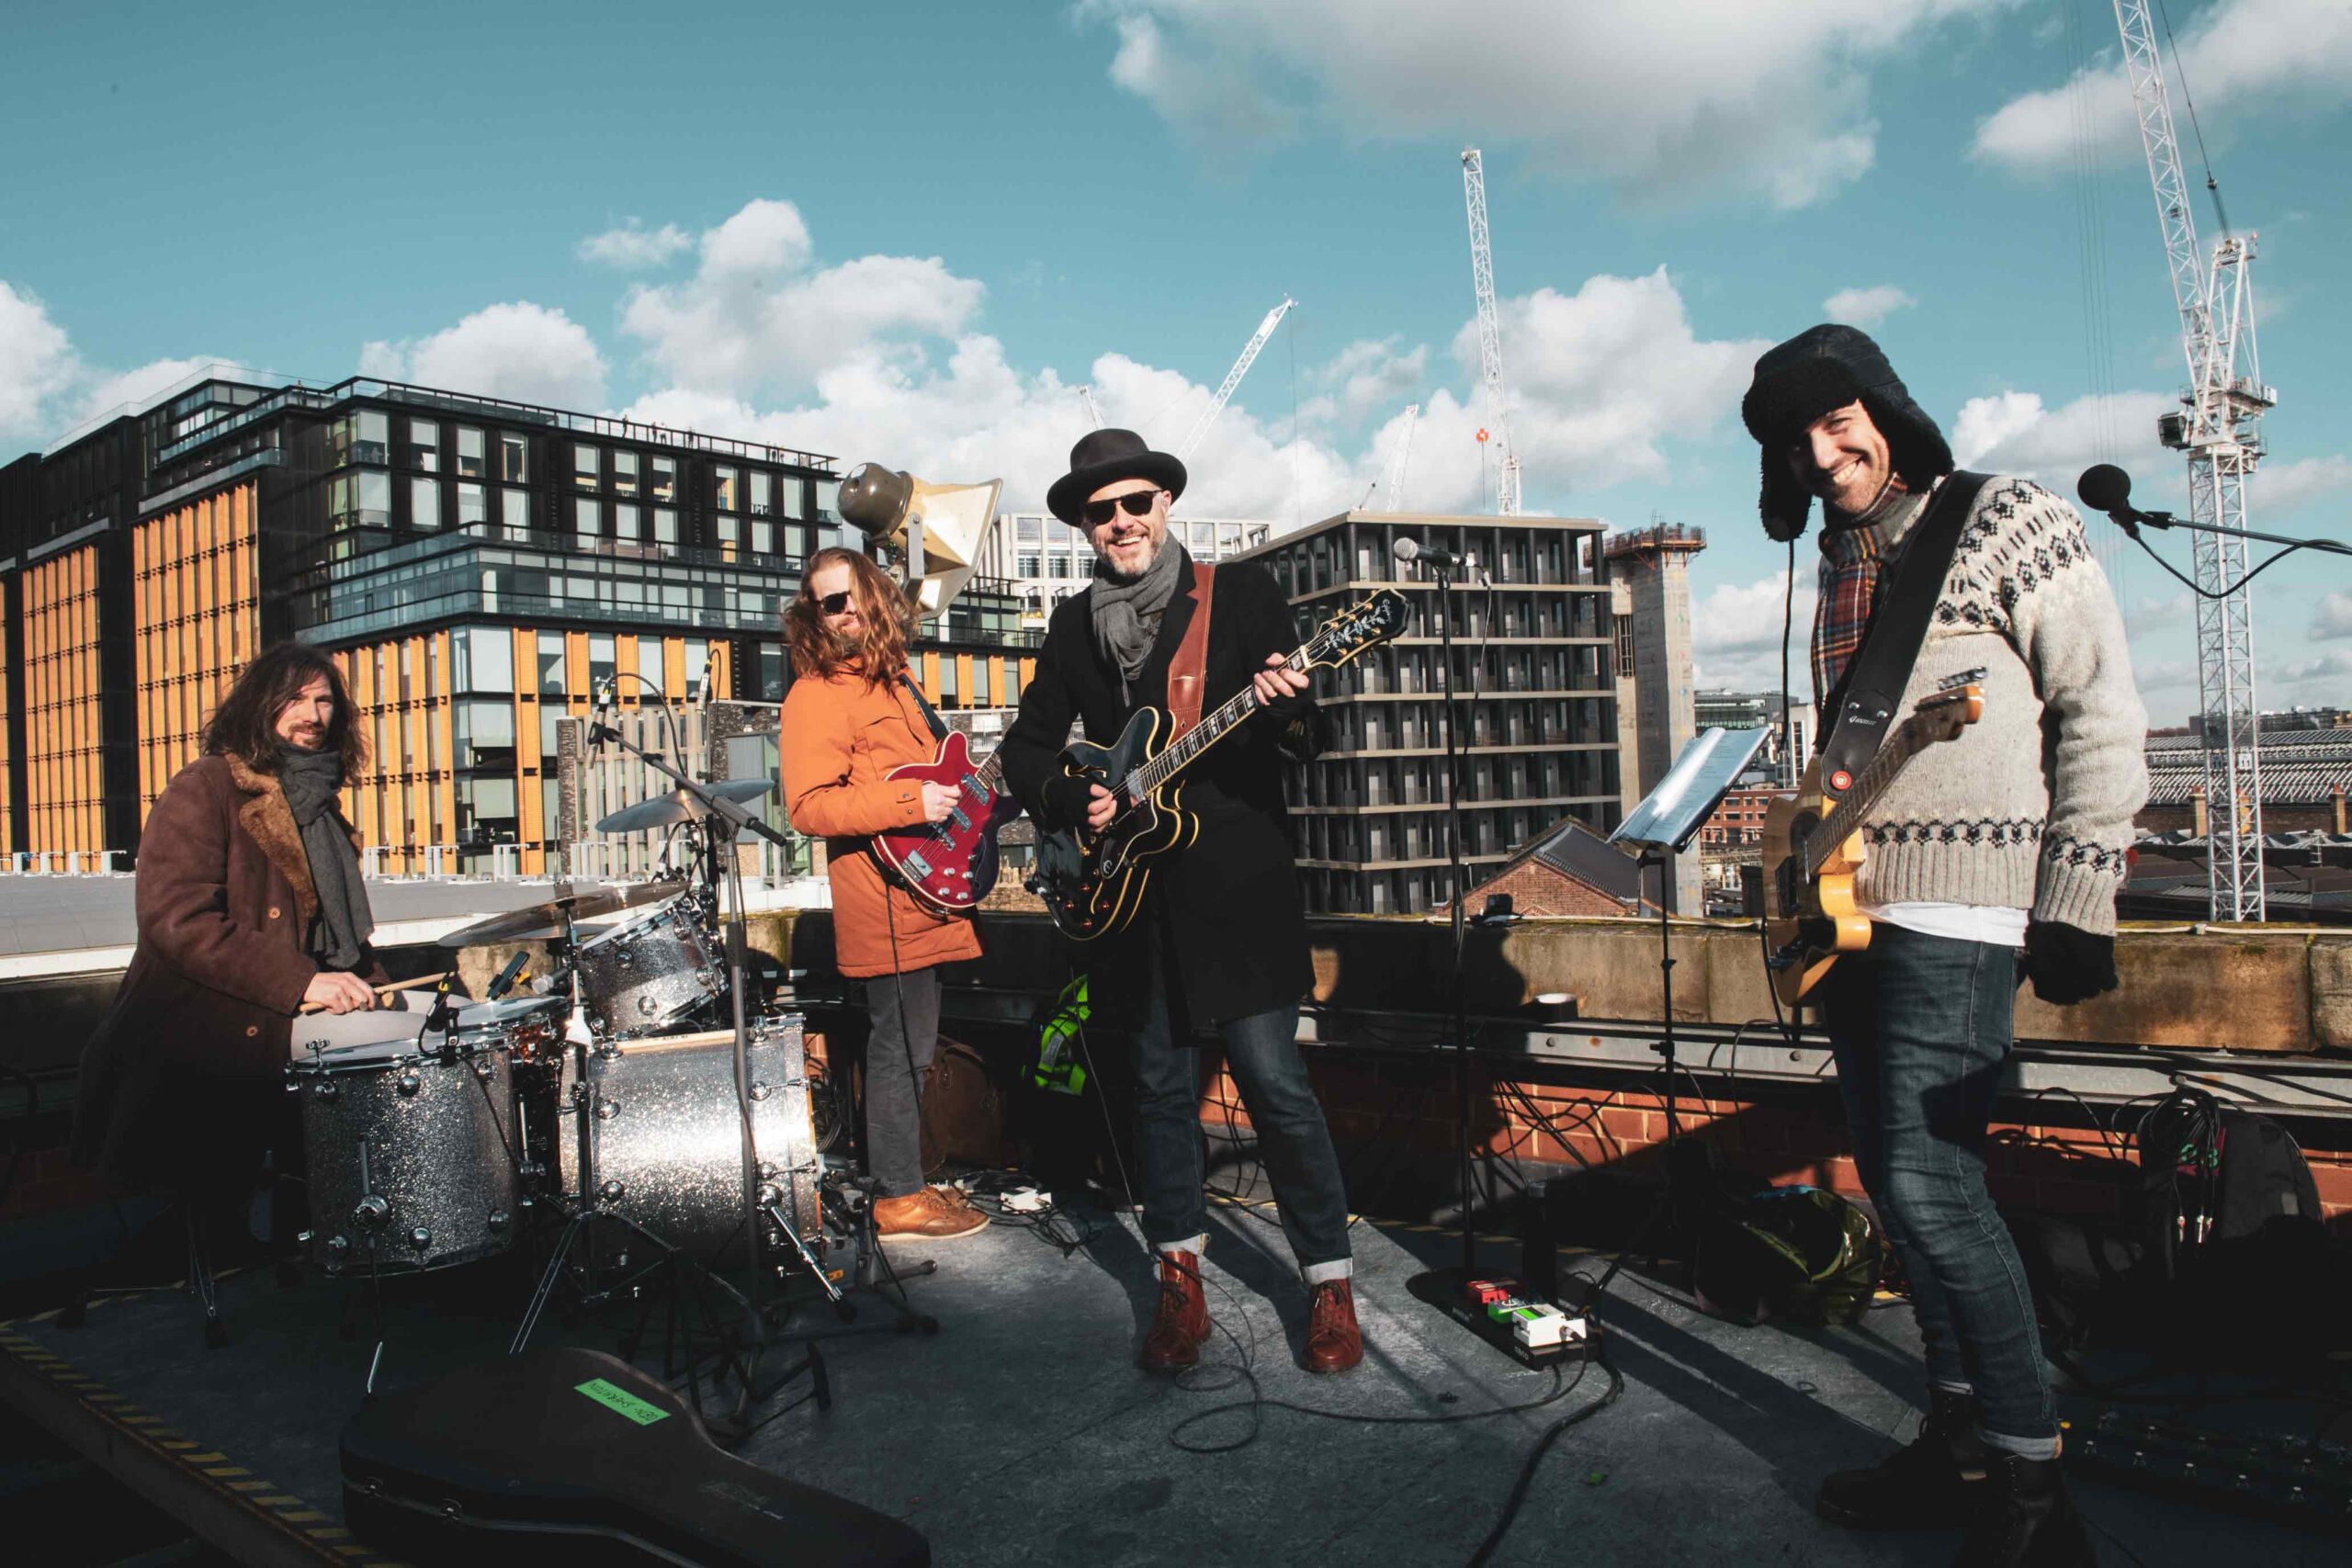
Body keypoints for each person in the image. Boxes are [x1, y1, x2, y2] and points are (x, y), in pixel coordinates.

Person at [1741, 325, 2145, 1565]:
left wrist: (2079, 889)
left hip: (1963, 909)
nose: (1825, 455)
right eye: (1796, 442)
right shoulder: (1836, 560)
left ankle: (2035, 1491)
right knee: (1901, 1188)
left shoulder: (2003, 516)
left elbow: (2101, 702)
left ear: (1885, 409)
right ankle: (1962, 1439)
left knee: (1934, 1186)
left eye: (1836, 420)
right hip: (1854, 904)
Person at [999, 428, 1363, 1374]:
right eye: (1099, 511)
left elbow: (1305, 739)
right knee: (1158, 1092)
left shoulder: (1236, 596)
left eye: (1134, 503)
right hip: (1131, 897)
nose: (1120, 521)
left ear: (1164, 505)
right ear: (1085, 526)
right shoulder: (1075, 623)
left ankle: (1328, 1283)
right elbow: (1027, 747)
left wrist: (1283, 701)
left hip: (1237, 890)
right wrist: (1074, 798)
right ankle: (1178, 1281)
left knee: (1275, 1087)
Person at [73, 642, 392, 1203]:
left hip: (301, 1011)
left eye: (323, 701)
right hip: (218, 1023)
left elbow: (338, 936)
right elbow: (176, 921)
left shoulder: (320, 805)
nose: (313, 716)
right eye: (295, 699)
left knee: (441, 1027)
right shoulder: (207, 785)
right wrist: (300, 982)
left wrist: (378, 987)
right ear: (259, 705)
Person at [779, 547, 989, 1242]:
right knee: (899, 1047)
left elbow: (933, 773)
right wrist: (909, 801)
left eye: (851, 596)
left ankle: (910, 1185)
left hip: (924, 891)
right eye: (827, 603)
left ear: (874, 593)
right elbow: (808, 806)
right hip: (882, 898)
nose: (844, 614)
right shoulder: (815, 694)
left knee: (916, 1043)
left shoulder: (895, 681)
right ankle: (898, 1198)